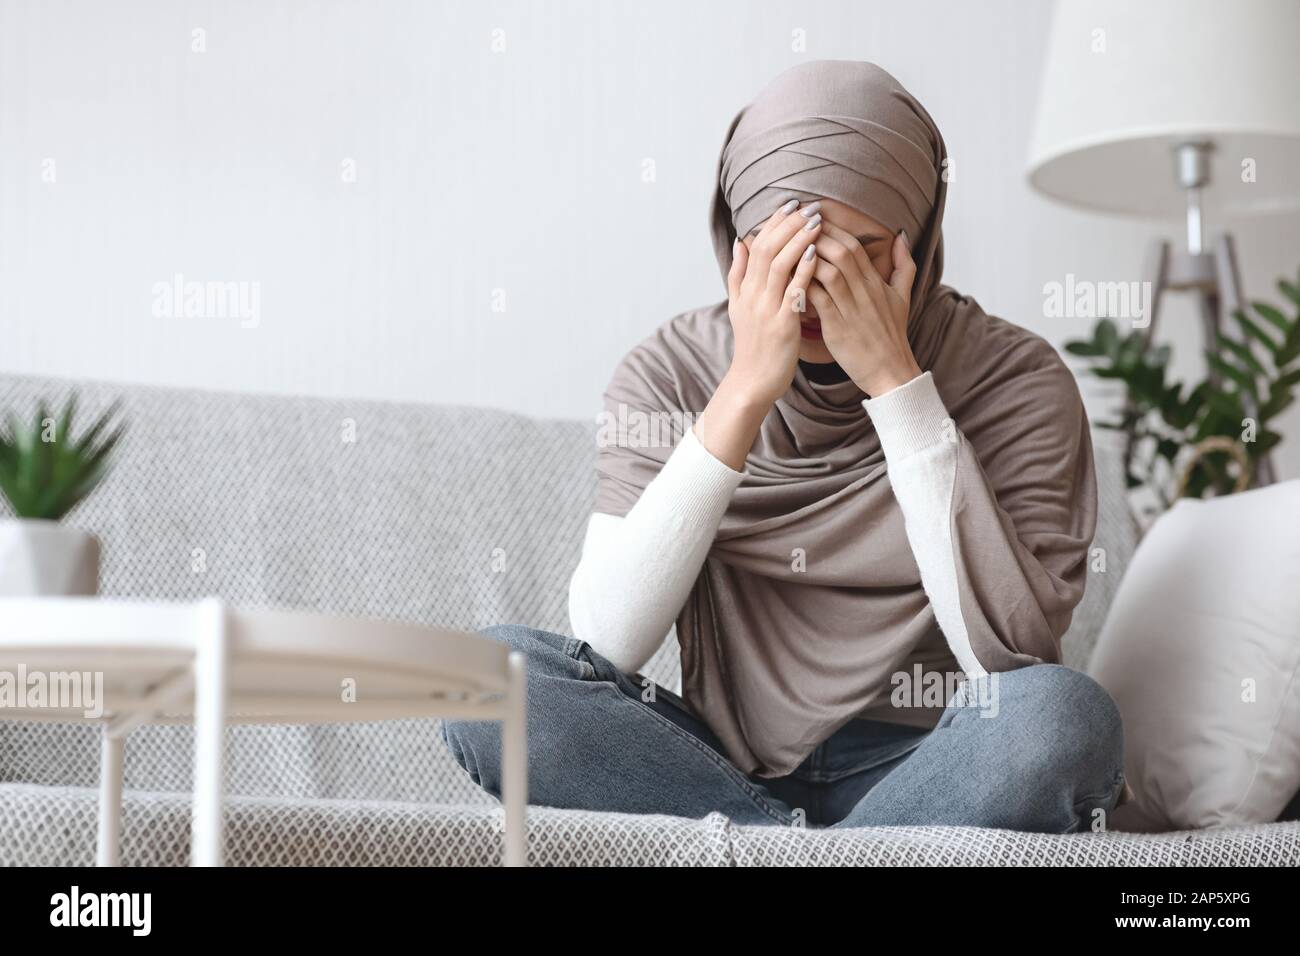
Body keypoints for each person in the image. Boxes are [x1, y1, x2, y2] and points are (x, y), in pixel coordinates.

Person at [443, 60, 1126, 832]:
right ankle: (830, 855)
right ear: (736, 239)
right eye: (782, 247)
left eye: (857, 256)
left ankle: (766, 853)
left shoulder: (1016, 379)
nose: (810, 289)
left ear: (920, 237)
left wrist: (899, 391)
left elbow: (1010, 662)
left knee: (1063, 716)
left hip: (932, 762)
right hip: (712, 771)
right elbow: (608, 641)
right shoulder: (669, 372)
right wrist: (742, 394)